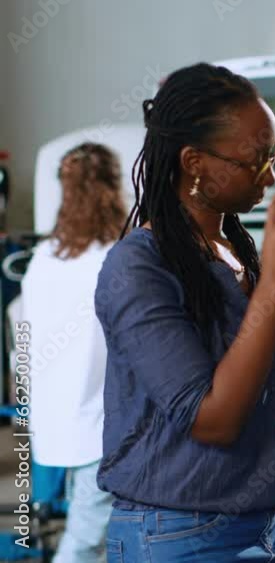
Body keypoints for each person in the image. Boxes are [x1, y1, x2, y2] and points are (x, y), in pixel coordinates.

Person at [94, 62, 275, 562]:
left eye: (272, 153)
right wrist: (274, 289)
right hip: (178, 533)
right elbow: (213, 421)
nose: (271, 174)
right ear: (193, 162)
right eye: (255, 160)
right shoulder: (138, 267)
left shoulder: (232, 250)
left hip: (262, 524)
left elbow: (259, 412)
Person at [20, 143, 127, 563]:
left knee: (91, 528)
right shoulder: (119, 254)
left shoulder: (45, 257)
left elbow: (25, 335)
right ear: (113, 188)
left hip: (55, 412)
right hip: (101, 417)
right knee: (87, 533)